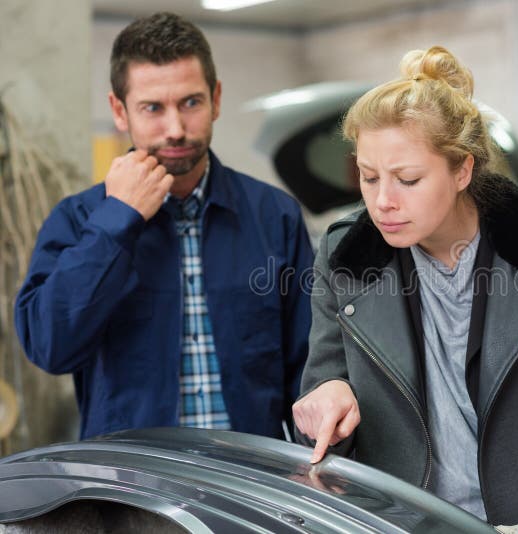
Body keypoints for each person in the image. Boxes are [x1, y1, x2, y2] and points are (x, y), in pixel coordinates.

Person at [292, 46, 518, 532]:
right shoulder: (345, 257)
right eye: (368, 176)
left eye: (408, 179)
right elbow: (324, 412)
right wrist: (328, 399)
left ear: (462, 169)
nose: (383, 202)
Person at [14, 12, 313, 440]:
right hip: (129, 491)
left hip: (250, 486)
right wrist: (118, 221)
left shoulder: (275, 215)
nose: (175, 129)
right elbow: (49, 348)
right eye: (152, 108)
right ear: (120, 111)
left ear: (216, 98)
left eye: (190, 102)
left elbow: (308, 370)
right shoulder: (79, 220)